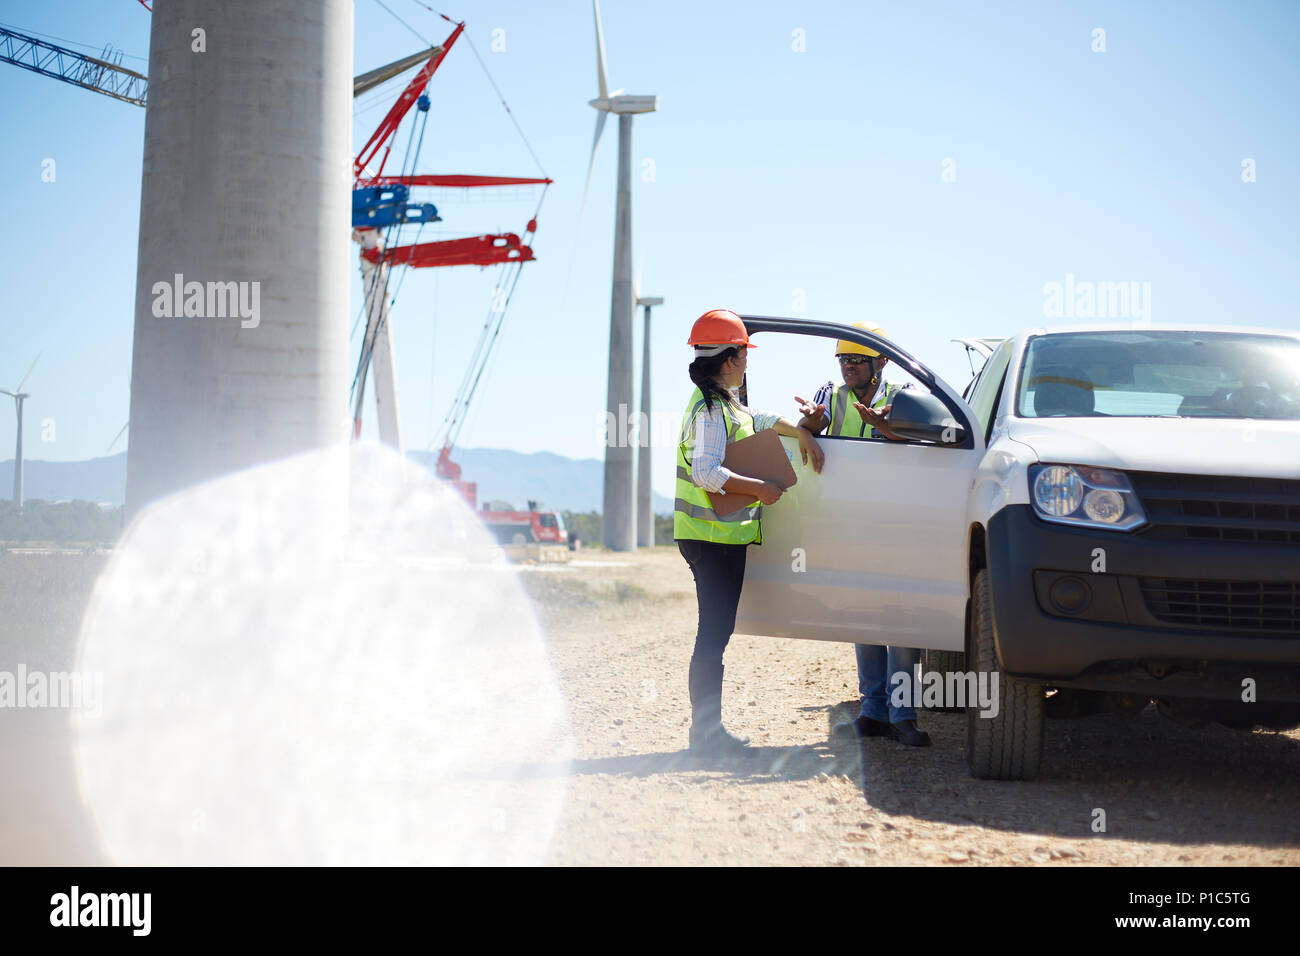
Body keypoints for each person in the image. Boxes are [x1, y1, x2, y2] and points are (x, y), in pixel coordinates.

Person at [676, 308, 825, 757]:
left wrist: (800, 431)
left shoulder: (723, 405)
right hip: (710, 540)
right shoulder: (708, 410)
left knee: (716, 632)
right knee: (713, 634)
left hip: (719, 539)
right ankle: (706, 737)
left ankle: (708, 733)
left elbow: (757, 419)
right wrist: (760, 488)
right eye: (744, 354)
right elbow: (705, 471)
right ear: (730, 360)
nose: (747, 363)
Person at [795, 323, 932, 747]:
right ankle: (873, 711)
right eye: (843, 360)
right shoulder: (830, 397)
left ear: (881, 363)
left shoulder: (904, 397)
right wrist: (807, 428)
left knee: (903, 620)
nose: (848, 367)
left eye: (857, 360)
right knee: (865, 618)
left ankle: (903, 714)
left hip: (898, 525)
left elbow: (923, 443)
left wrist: (887, 428)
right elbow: (809, 430)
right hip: (852, 525)